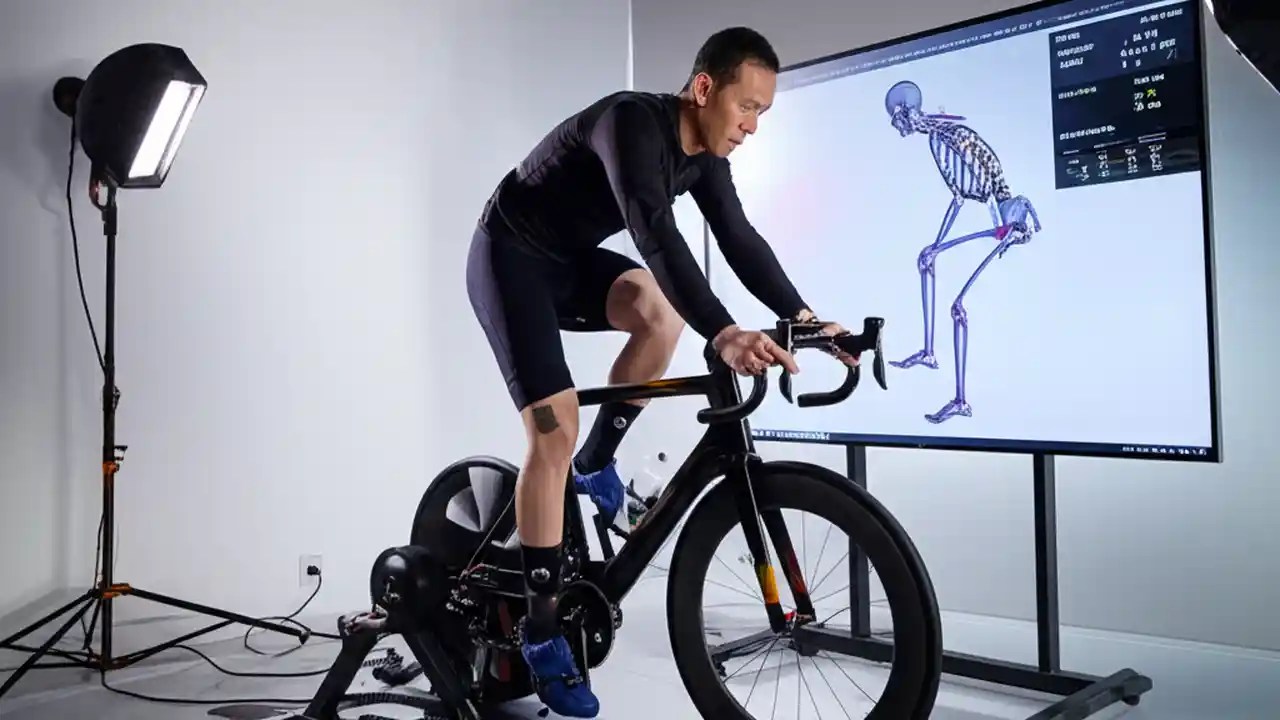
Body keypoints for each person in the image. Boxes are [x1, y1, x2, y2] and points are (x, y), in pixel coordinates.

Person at [465, 26, 859, 718]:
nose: (752, 125)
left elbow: (739, 238)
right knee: (552, 431)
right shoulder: (630, 122)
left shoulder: (706, 158)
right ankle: (542, 632)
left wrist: (804, 317)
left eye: (762, 112)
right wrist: (725, 332)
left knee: (660, 314)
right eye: (746, 106)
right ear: (703, 88)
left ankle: (597, 464)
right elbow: (654, 232)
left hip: (569, 264)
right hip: (509, 259)